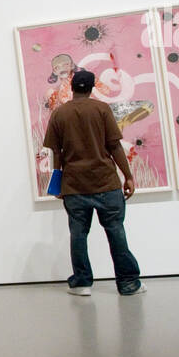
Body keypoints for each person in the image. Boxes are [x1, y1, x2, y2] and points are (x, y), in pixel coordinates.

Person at [42, 68, 146, 297]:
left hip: (74, 186)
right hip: (106, 184)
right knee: (116, 232)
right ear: (91, 88)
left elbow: (56, 153)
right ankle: (128, 284)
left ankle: (81, 283)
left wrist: (57, 183)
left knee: (78, 235)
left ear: (71, 87)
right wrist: (127, 175)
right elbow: (115, 146)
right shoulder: (101, 109)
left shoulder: (59, 114)